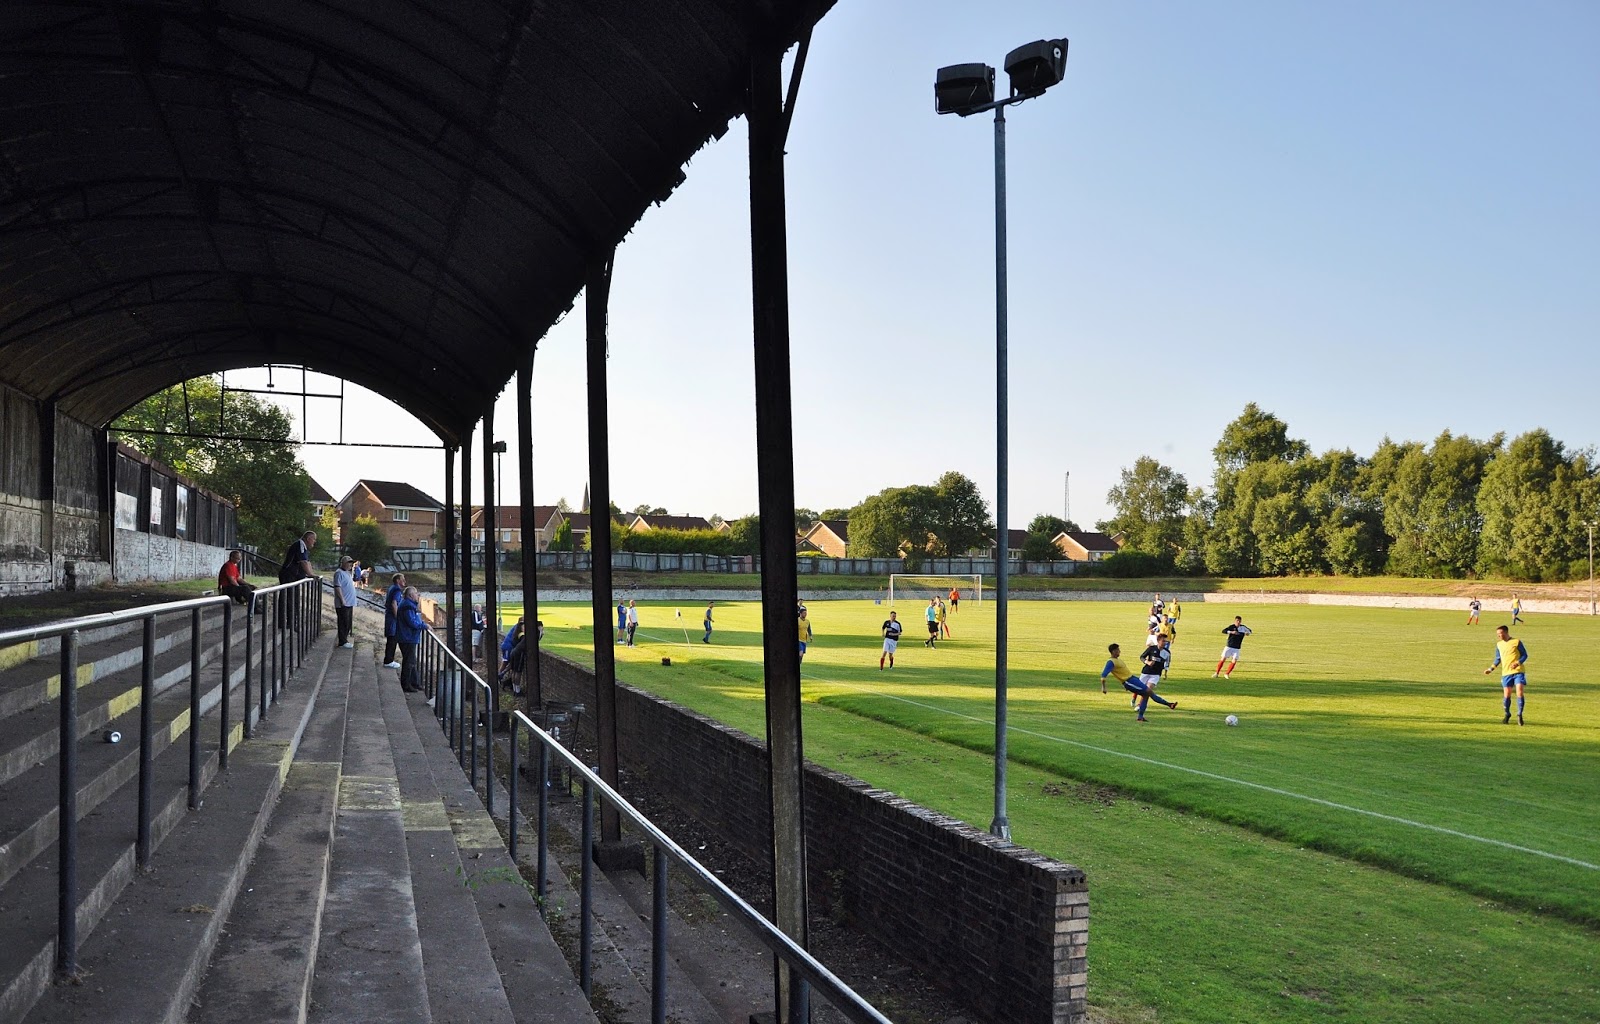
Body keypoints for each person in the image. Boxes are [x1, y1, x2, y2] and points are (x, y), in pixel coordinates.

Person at [1100, 643, 1178, 722]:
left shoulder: (1117, 660)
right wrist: (1104, 688)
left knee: (1146, 694)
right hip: (1129, 681)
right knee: (1148, 692)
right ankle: (1168, 704)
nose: (1119, 651)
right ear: (1113, 651)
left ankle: (1141, 717)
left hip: (1133, 679)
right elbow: (1103, 676)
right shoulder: (1111, 662)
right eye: (1117, 650)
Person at [1484, 625, 1529, 725]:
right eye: (1497, 634)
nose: (1499, 636)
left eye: (1500, 634)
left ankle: (1519, 714)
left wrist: (1518, 662)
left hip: (1518, 671)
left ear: (1506, 632)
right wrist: (1490, 669)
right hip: (1506, 673)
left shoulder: (1516, 642)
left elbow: (1525, 655)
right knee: (1507, 695)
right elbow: (1498, 659)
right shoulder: (1499, 645)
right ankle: (1507, 714)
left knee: (1519, 692)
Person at [277, 530, 319, 629]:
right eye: (314, 539)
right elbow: (303, 562)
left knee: (293, 599)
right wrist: (310, 574)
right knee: (288, 599)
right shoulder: (300, 545)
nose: (314, 542)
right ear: (308, 539)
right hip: (288, 575)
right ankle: (286, 622)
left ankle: (291, 622)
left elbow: (307, 562)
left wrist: (311, 574)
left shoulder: (303, 547)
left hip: (293, 576)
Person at [395, 585, 427, 693]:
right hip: (407, 637)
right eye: (416, 593)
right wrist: (424, 626)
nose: (418, 595)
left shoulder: (408, 605)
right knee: (409, 662)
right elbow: (412, 622)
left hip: (407, 637)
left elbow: (415, 620)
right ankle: (406, 685)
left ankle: (414, 682)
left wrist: (423, 624)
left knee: (411, 661)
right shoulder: (408, 606)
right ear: (411, 595)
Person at [382, 572, 406, 669]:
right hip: (392, 619)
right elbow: (394, 603)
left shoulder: (391, 588)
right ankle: (388, 660)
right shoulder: (397, 589)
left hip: (389, 617)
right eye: (402, 579)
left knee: (391, 639)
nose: (404, 581)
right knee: (392, 639)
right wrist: (398, 617)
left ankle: (389, 659)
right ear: (397, 580)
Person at [332, 556, 357, 648]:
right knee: (343, 621)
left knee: (348, 622)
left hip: (349, 602)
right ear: (343, 563)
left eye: (351, 563)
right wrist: (342, 600)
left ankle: (345, 639)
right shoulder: (339, 573)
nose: (350, 565)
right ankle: (342, 641)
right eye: (349, 562)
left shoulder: (347, 573)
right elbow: (337, 587)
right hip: (344, 603)